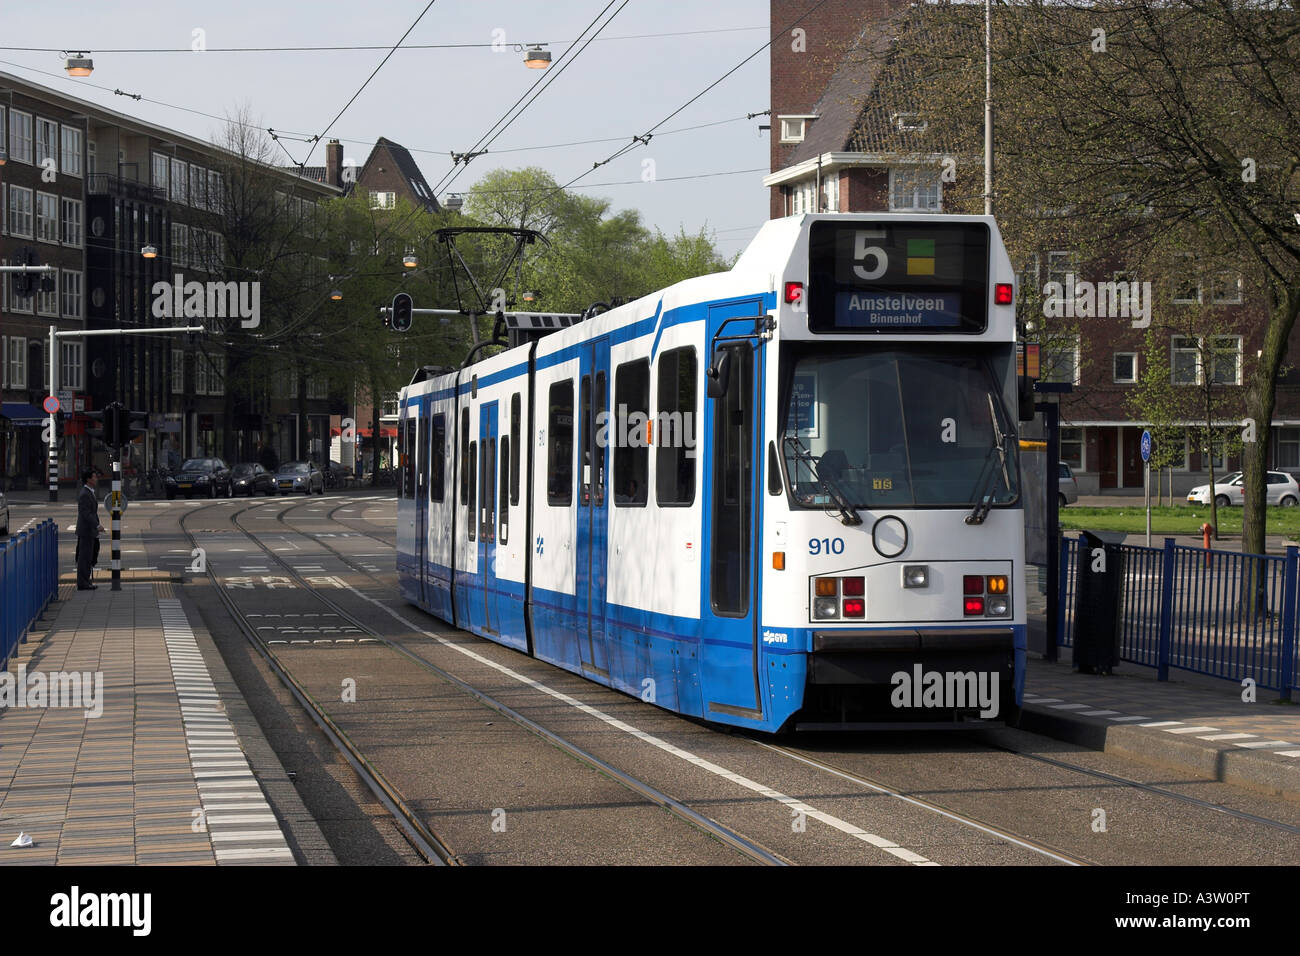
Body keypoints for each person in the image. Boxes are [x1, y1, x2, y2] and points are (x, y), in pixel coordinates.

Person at [75, 468, 104, 591]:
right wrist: (97, 525)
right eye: (94, 477)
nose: (96, 479)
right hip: (86, 531)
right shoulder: (85, 494)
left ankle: (86, 581)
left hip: (89, 531)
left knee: (89, 556)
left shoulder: (89, 492)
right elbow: (86, 513)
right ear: (88, 479)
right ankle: (83, 582)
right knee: (85, 557)